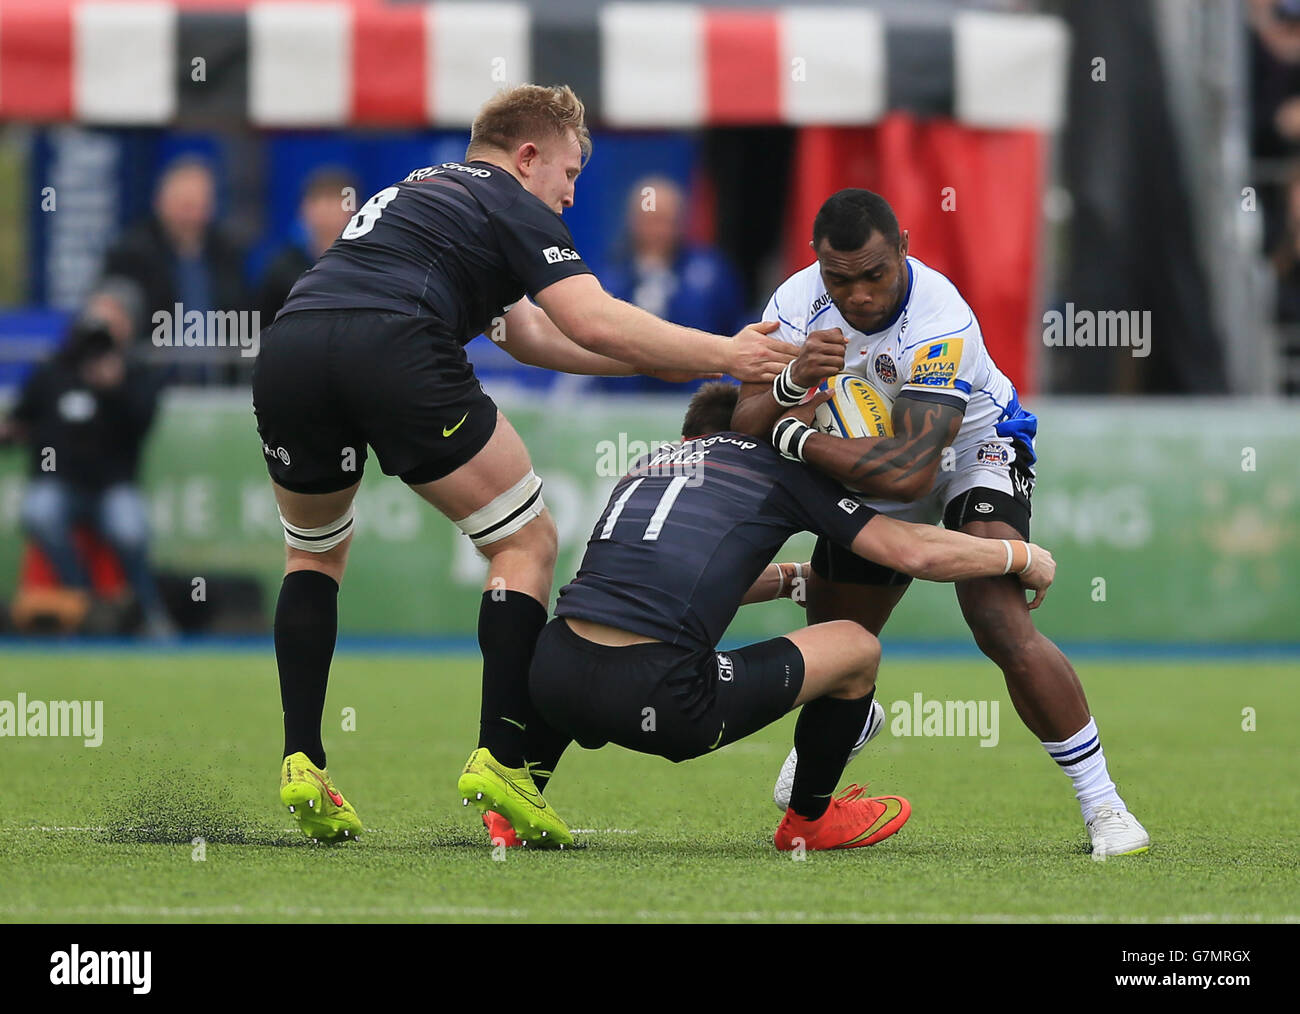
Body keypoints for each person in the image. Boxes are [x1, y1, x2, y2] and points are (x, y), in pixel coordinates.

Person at [253, 83, 793, 845]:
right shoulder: (509, 201)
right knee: (525, 542)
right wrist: (729, 354)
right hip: (394, 344)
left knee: (312, 556)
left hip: (294, 346)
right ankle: (503, 758)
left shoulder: (419, 194)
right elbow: (592, 317)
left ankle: (303, 759)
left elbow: (537, 337)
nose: (570, 196)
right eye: (568, 174)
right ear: (528, 155)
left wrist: (682, 366)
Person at [730, 189, 1149, 857]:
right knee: (840, 643)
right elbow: (744, 420)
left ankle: (1104, 806)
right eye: (840, 279)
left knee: (997, 616)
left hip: (971, 450)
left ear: (903, 247)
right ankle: (855, 716)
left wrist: (799, 439)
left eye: (874, 274)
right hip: (867, 452)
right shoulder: (793, 304)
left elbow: (912, 474)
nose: (859, 294)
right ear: (818, 266)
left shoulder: (940, 317)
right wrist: (786, 389)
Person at [521, 383, 1054, 851]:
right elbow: (911, 552)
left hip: (554, 678)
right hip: (663, 697)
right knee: (854, 645)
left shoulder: (650, 463)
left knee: (591, 639)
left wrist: (788, 578)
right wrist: (1019, 557)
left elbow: (678, 577)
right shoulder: (777, 467)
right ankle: (810, 821)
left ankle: (519, 798)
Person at [0, 291, 171, 638]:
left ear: (126, 328)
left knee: (130, 528)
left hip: (113, 487)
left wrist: (115, 387)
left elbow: (142, 422)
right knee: (40, 510)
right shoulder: (53, 370)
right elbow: (19, 423)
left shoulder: (136, 373)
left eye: (111, 323)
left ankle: (151, 613)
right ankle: (84, 602)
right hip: (59, 484)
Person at [101, 155, 249, 383]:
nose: (190, 214)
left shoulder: (227, 254)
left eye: (198, 204)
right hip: (151, 383)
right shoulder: (132, 253)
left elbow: (244, 314)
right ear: (160, 202)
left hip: (220, 386)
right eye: (183, 204)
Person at [596, 176, 748, 392]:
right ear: (633, 222)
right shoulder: (609, 276)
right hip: (625, 403)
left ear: (680, 222)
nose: (657, 231)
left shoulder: (712, 273)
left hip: (698, 396)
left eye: (665, 220)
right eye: (650, 220)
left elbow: (735, 328)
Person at [256, 167, 360, 321]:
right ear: (303, 209)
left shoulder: (367, 265)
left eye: (337, 201)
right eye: (320, 200)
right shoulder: (281, 269)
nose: (328, 210)